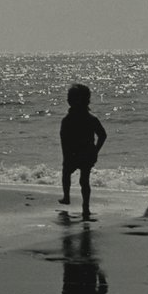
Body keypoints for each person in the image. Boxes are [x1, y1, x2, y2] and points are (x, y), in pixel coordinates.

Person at [58, 83, 107, 219]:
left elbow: (64, 140)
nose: (68, 100)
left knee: (67, 174)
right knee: (84, 180)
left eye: (71, 98)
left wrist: (66, 156)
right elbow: (102, 135)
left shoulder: (67, 120)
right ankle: (85, 206)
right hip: (87, 153)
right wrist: (95, 150)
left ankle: (67, 197)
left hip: (74, 154)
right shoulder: (91, 118)